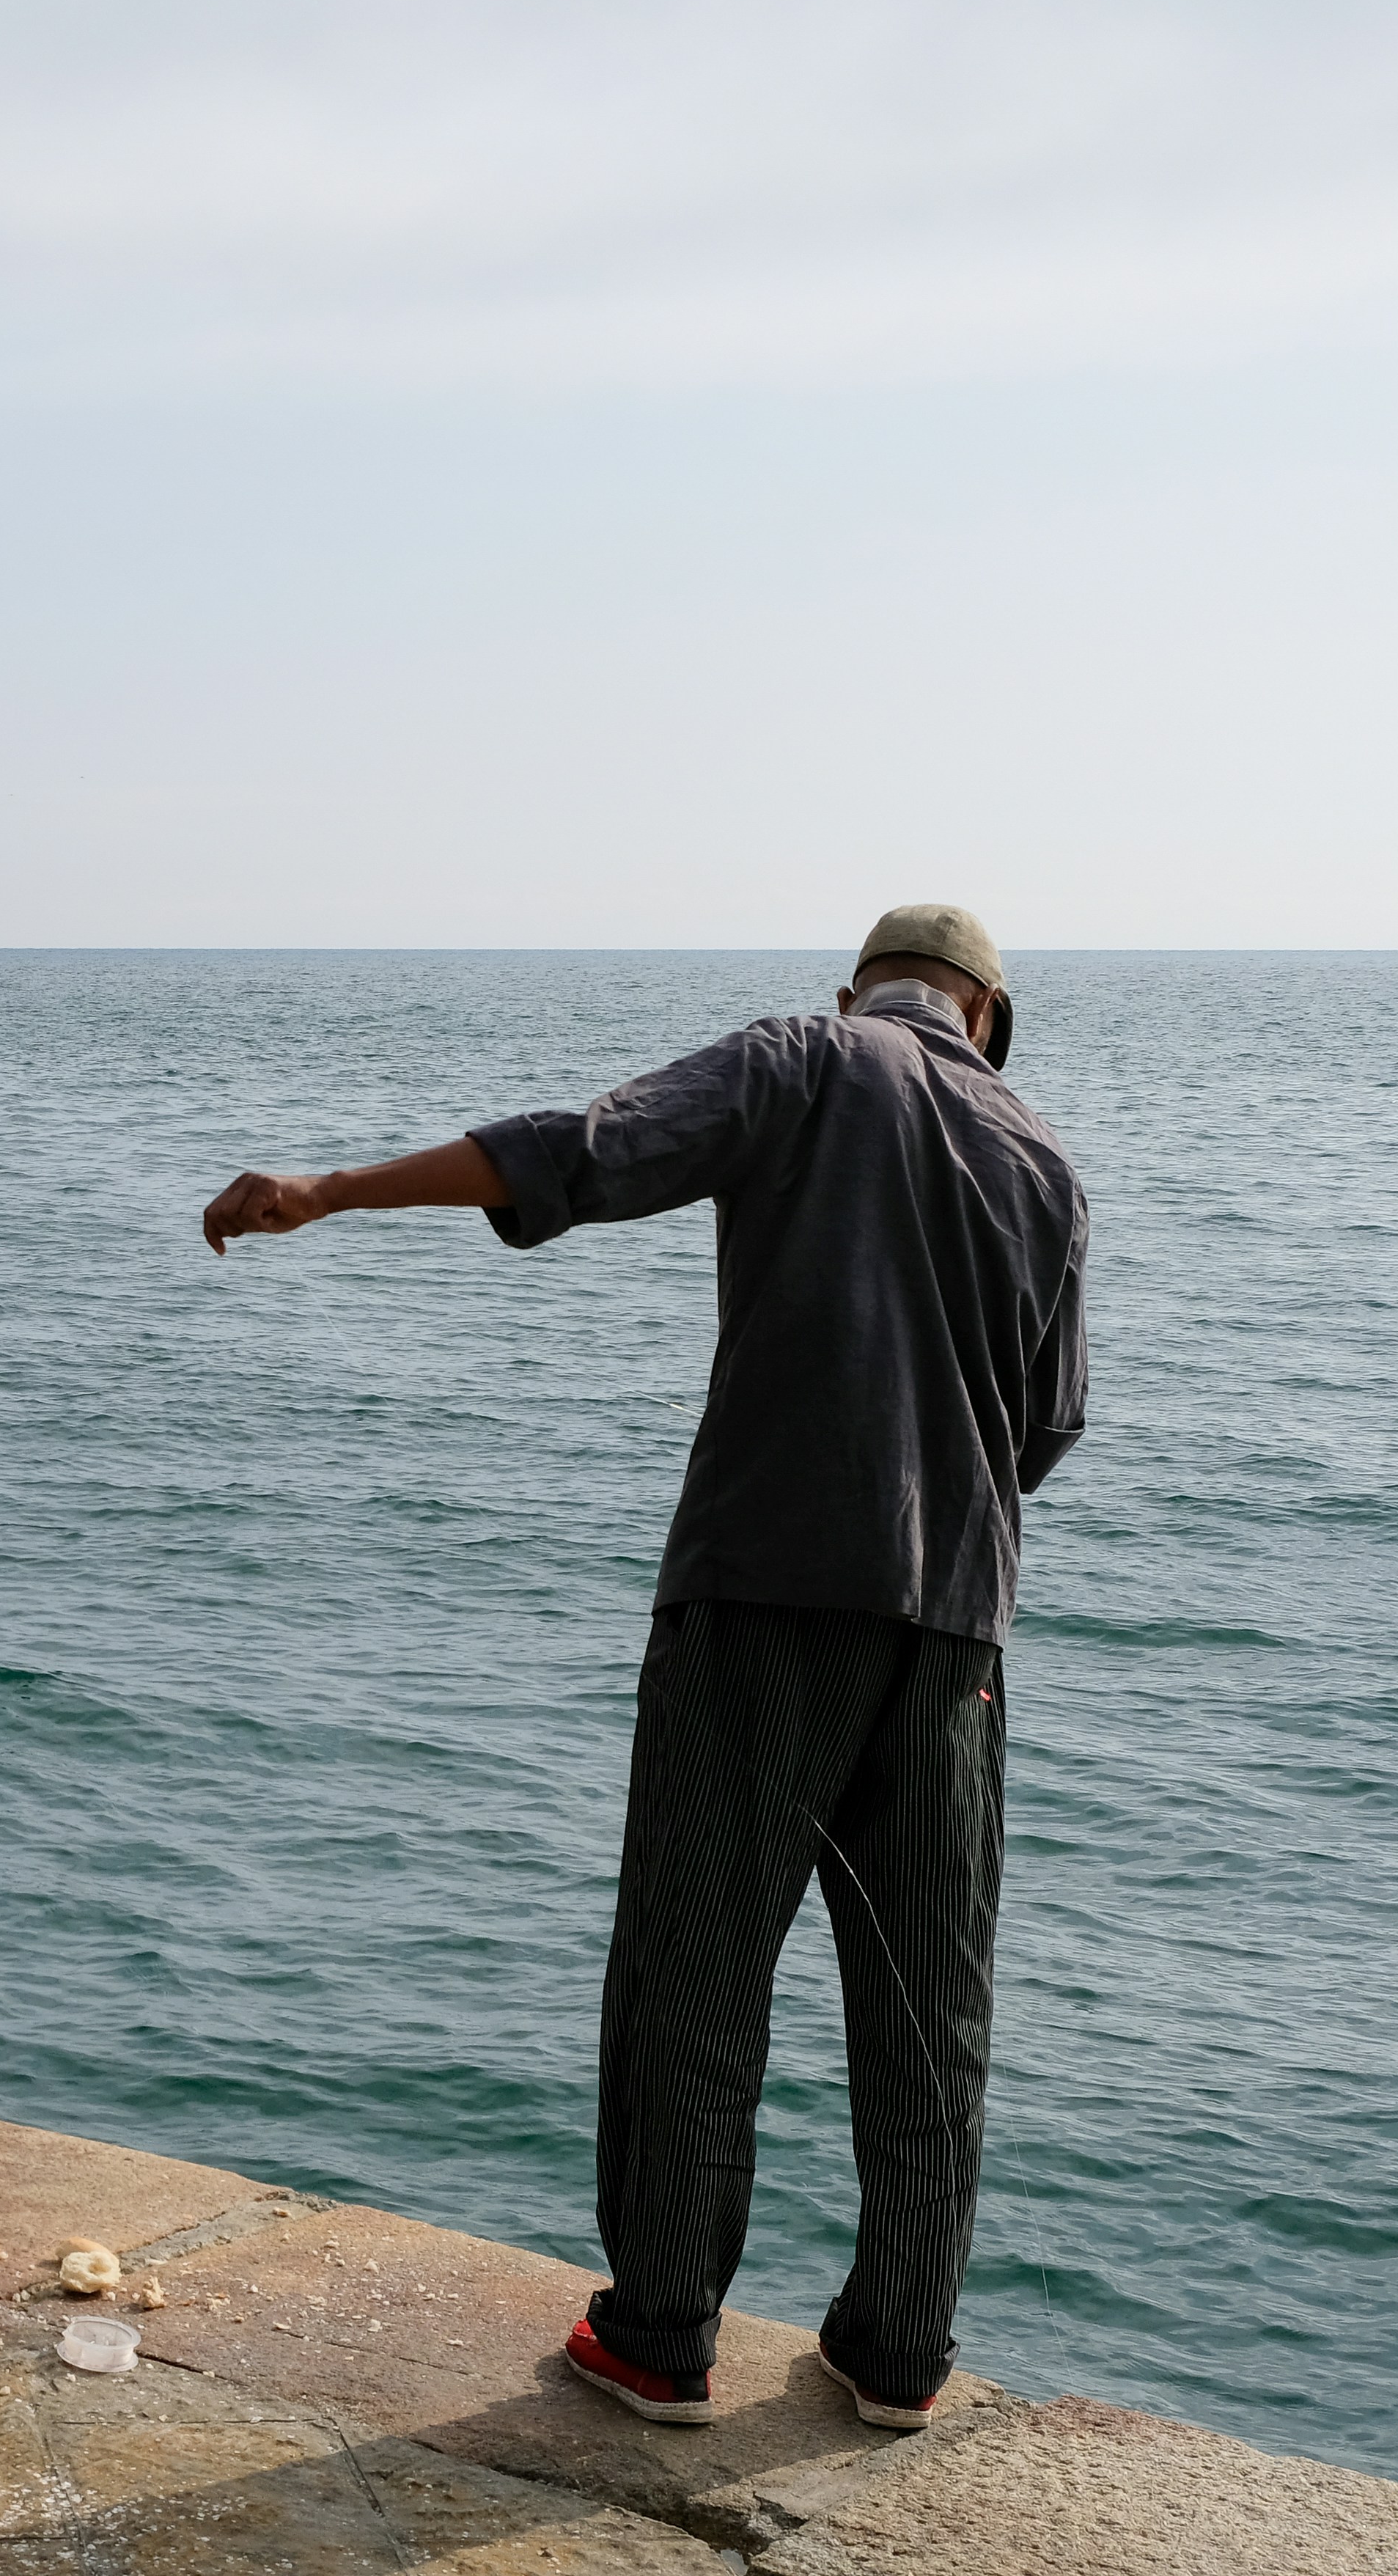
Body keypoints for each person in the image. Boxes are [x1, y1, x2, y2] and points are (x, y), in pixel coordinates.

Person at [199, 905, 1086, 2432]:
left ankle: (663, 2332)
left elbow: (582, 1149)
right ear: (991, 1019)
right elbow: (1048, 1427)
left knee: (696, 1968)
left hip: (760, 1590)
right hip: (956, 1627)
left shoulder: (805, 1058)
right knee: (929, 1996)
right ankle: (897, 2352)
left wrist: (329, 1189)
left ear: (857, 992)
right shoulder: (1044, 1160)